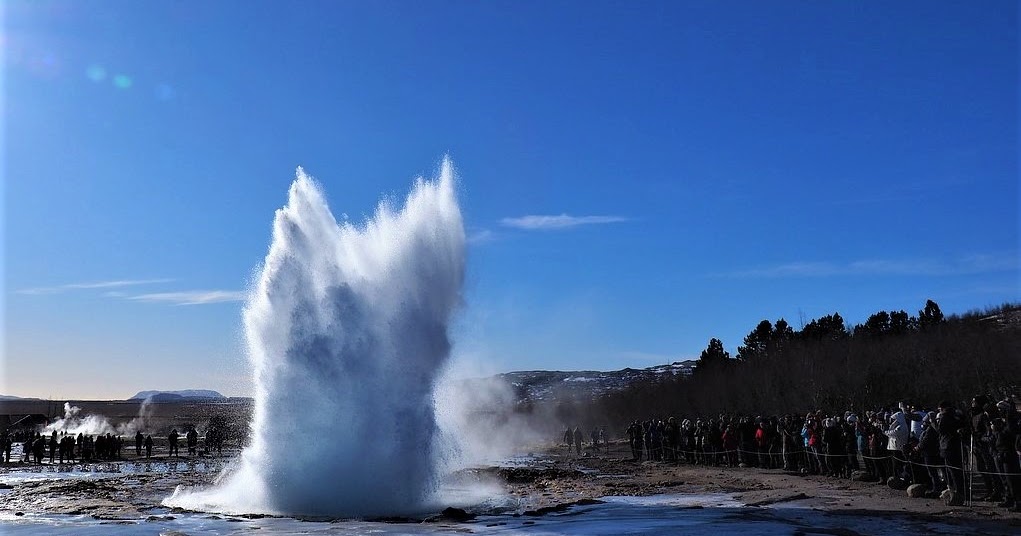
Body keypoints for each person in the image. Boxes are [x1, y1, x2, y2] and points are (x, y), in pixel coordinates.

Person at [936, 400, 966, 506]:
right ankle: (959, 491)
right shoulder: (956, 415)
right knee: (956, 471)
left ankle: (957, 493)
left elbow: (940, 430)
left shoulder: (945, 417)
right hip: (954, 445)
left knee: (953, 472)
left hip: (948, 446)